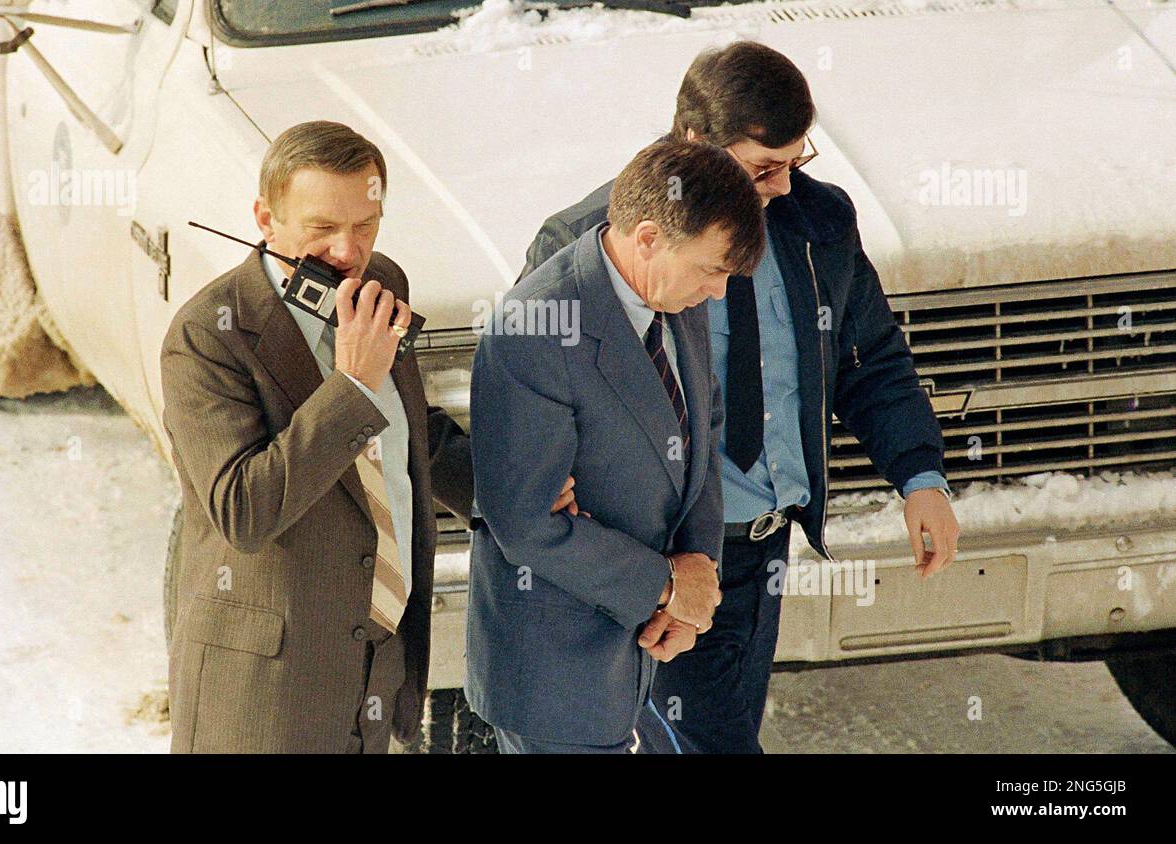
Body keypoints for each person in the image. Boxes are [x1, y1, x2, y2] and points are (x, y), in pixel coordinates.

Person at [520, 41, 961, 754]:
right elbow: (536, 406)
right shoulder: (591, 240)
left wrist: (920, 475)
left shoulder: (816, 223)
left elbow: (868, 358)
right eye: (764, 168)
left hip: (761, 553)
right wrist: (619, 566)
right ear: (696, 143)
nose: (783, 186)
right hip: (655, 561)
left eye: (796, 162)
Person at [160, 120, 575, 752]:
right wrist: (351, 385)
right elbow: (244, 511)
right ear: (265, 218)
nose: (349, 253)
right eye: (321, 229)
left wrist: (515, 490)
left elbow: (411, 434)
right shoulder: (208, 338)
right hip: (266, 691)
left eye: (365, 225)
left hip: (375, 662)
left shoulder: (382, 281)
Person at [467, 139, 766, 753]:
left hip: (639, 648)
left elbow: (702, 435)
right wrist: (666, 584)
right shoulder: (535, 329)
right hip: (555, 675)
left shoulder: (670, 293)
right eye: (711, 270)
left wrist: (694, 586)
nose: (717, 293)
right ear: (650, 237)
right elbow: (526, 525)